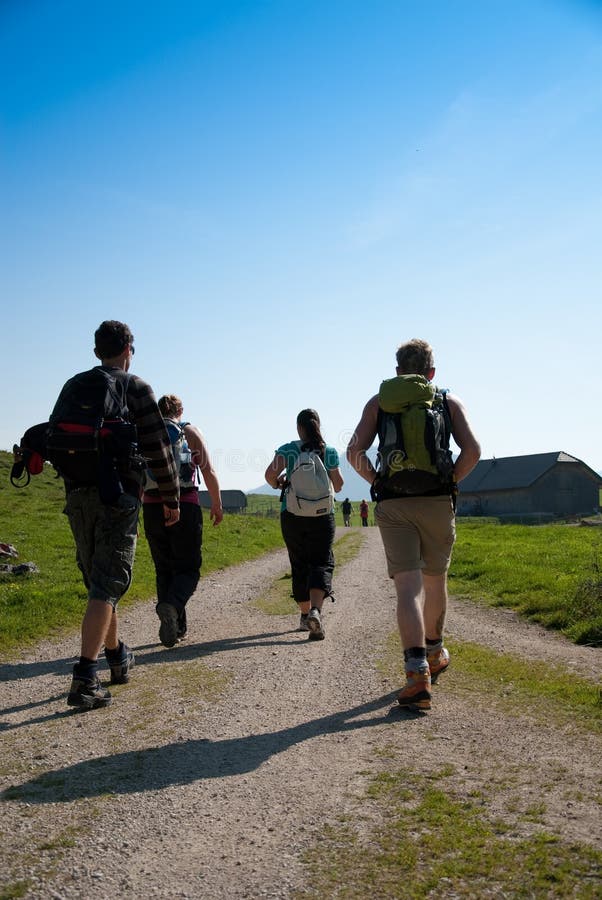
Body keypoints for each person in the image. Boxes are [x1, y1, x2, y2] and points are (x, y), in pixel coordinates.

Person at [347, 338, 480, 710]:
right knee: (436, 581)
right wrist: (450, 480)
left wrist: (377, 481)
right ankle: (436, 654)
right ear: (431, 372)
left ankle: (417, 673)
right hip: (438, 500)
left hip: (394, 502)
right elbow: (473, 451)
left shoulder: (378, 403)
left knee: (408, 588)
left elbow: (353, 452)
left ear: (397, 372)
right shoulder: (447, 402)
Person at [55, 321, 180, 710]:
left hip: (76, 494)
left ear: (96, 351)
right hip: (120, 496)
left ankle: (116, 656)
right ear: (129, 348)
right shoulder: (136, 387)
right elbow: (158, 448)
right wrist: (172, 497)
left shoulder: (73, 386)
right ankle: (85, 677)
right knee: (108, 584)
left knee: (99, 583)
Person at [143, 394, 223, 647]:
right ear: (181, 410)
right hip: (185, 504)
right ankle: (172, 607)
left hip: (151, 505)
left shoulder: (147, 432)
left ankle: (176, 627)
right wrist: (217, 503)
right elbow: (207, 469)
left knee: (164, 567)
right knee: (188, 568)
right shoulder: (189, 431)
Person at [264, 408, 343, 640]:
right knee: (321, 561)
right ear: (318, 425)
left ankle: (304, 615)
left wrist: (279, 484)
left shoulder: (288, 449)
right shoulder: (328, 451)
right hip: (322, 515)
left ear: (299, 428)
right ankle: (316, 611)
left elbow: (270, 475)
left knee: (299, 563)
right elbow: (338, 485)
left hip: (292, 514)